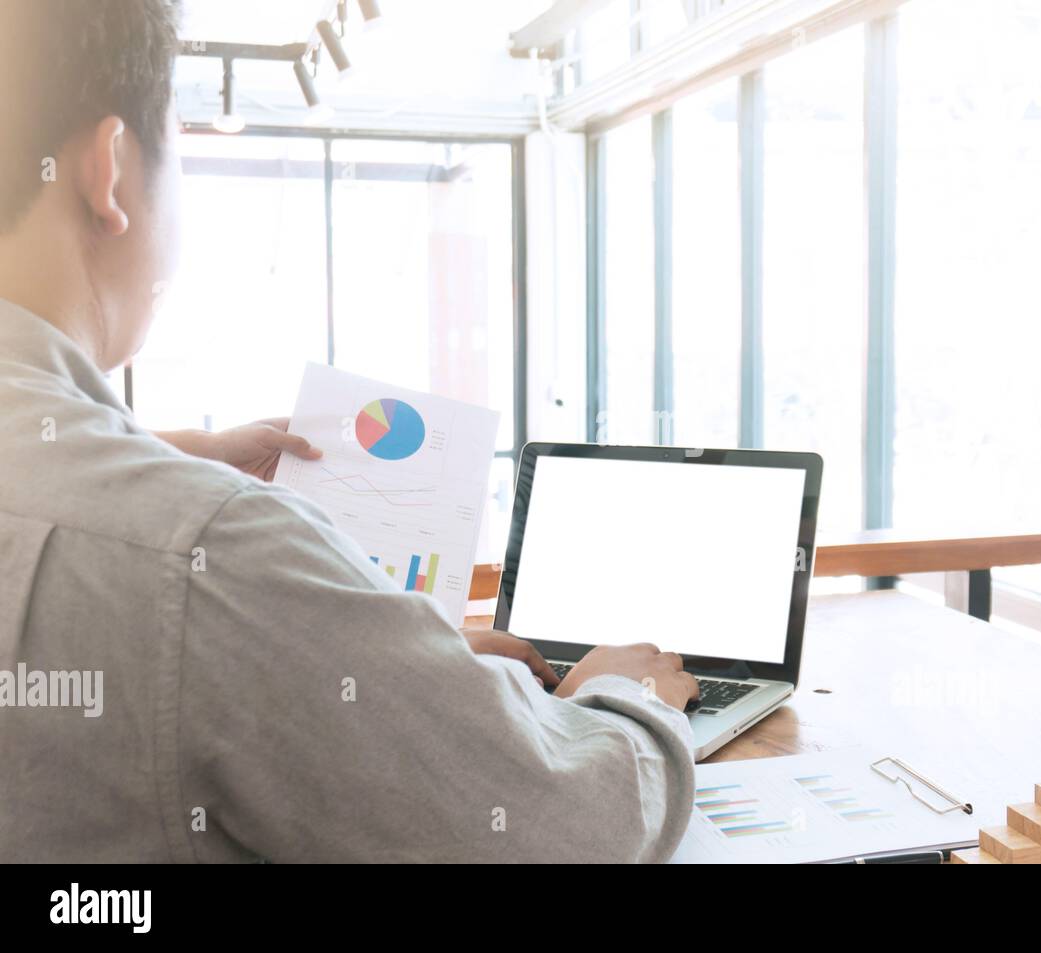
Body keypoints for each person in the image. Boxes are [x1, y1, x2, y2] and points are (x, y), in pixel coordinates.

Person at [0, 0, 698, 863]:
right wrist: (627, 702)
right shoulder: (213, 554)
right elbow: (565, 833)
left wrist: (403, 675)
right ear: (110, 172)